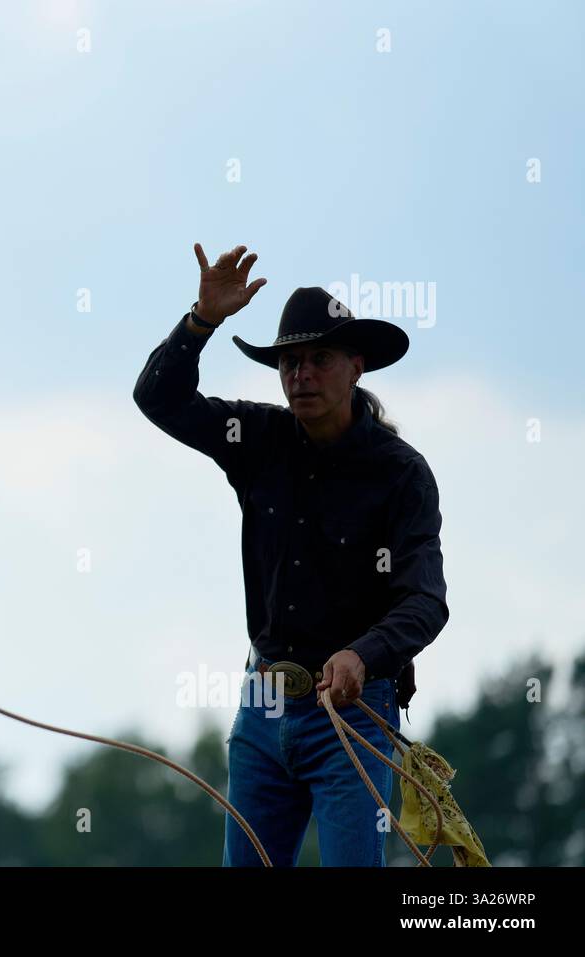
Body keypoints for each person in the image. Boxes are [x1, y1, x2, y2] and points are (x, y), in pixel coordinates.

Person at [131, 243, 450, 866]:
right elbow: (159, 400)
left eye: (318, 360)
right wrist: (201, 321)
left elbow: (425, 600)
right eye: (289, 363)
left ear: (356, 366)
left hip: (356, 717)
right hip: (264, 702)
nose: (300, 375)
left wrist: (364, 654)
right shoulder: (257, 438)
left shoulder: (401, 475)